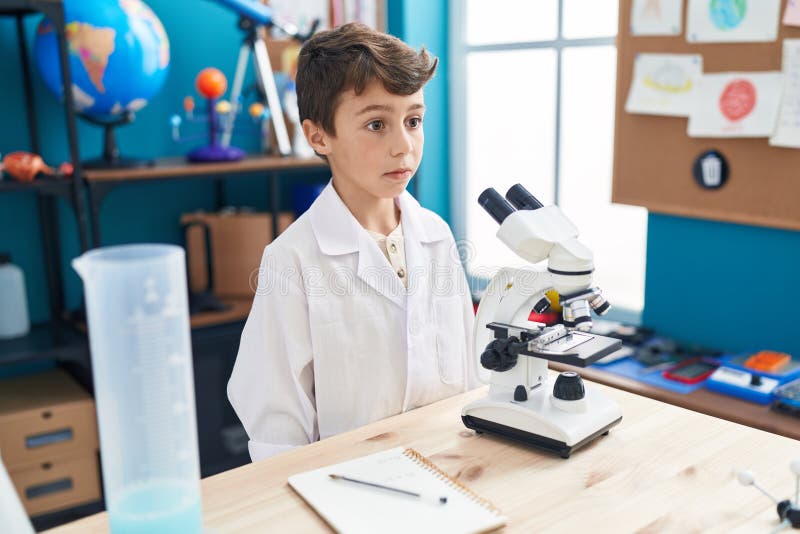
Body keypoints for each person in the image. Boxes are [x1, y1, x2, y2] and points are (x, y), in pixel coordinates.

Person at [228, 23, 477, 462]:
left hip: (451, 473)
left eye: (413, 120)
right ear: (318, 136)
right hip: (348, 491)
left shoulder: (436, 236)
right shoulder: (292, 260)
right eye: (376, 124)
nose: (404, 146)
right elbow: (276, 428)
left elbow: (471, 379)